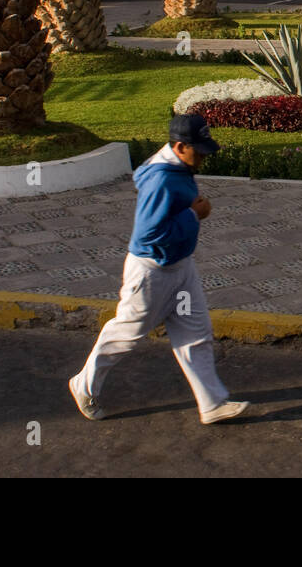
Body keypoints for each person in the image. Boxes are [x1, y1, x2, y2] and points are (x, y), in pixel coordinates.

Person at [69, 114, 249, 425]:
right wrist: (194, 215)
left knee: (196, 333)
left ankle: (212, 403)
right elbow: (148, 234)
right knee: (127, 335)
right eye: (200, 150)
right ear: (180, 147)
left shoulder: (177, 166)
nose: (205, 157)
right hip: (152, 273)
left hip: (181, 266)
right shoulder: (161, 179)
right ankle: (83, 385)